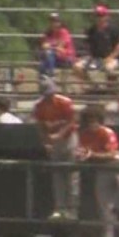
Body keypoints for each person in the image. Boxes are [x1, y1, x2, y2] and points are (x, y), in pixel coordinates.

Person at [75, 104, 119, 237]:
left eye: (95, 120)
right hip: (102, 171)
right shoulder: (83, 134)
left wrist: (91, 155)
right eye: (89, 120)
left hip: (117, 167)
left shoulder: (106, 132)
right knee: (105, 208)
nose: (93, 123)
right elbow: (82, 153)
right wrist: (83, 156)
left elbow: (112, 154)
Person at [33, 79, 79, 220]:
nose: (49, 96)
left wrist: (59, 135)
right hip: (53, 142)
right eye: (46, 94)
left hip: (69, 139)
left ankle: (73, 210)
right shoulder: (39, 106)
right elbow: (40, 126)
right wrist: (46, 142)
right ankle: (60, 208)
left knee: (72, 176)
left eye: (51, 93)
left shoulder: (64, 102)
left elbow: (72, 122)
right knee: (57, 175)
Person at [72, 5, 119, 84]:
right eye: (97, 15)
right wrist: (81, 57)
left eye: (101, 15)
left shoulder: (113, 29)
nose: (99, 18)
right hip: (95, 58)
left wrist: (110, 57)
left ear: (107, 16)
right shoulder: (92, 30)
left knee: (107, 68)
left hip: (110, 58)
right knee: (77, 67)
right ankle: (94, 85)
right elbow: (87, 46)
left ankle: (110, 87)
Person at [38, 12, 75, 81]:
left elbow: (60, 46)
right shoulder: (48, 33)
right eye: (51, 21)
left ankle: (50, 75)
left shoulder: (64, 32)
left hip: (66, 58)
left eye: (55, 21)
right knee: (44, 59)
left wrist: (51, 46)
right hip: (54, 58)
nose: (53, 24)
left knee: (49, 53)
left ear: (60, 22)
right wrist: (50, 47)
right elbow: (44, 46)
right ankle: (45, 78)